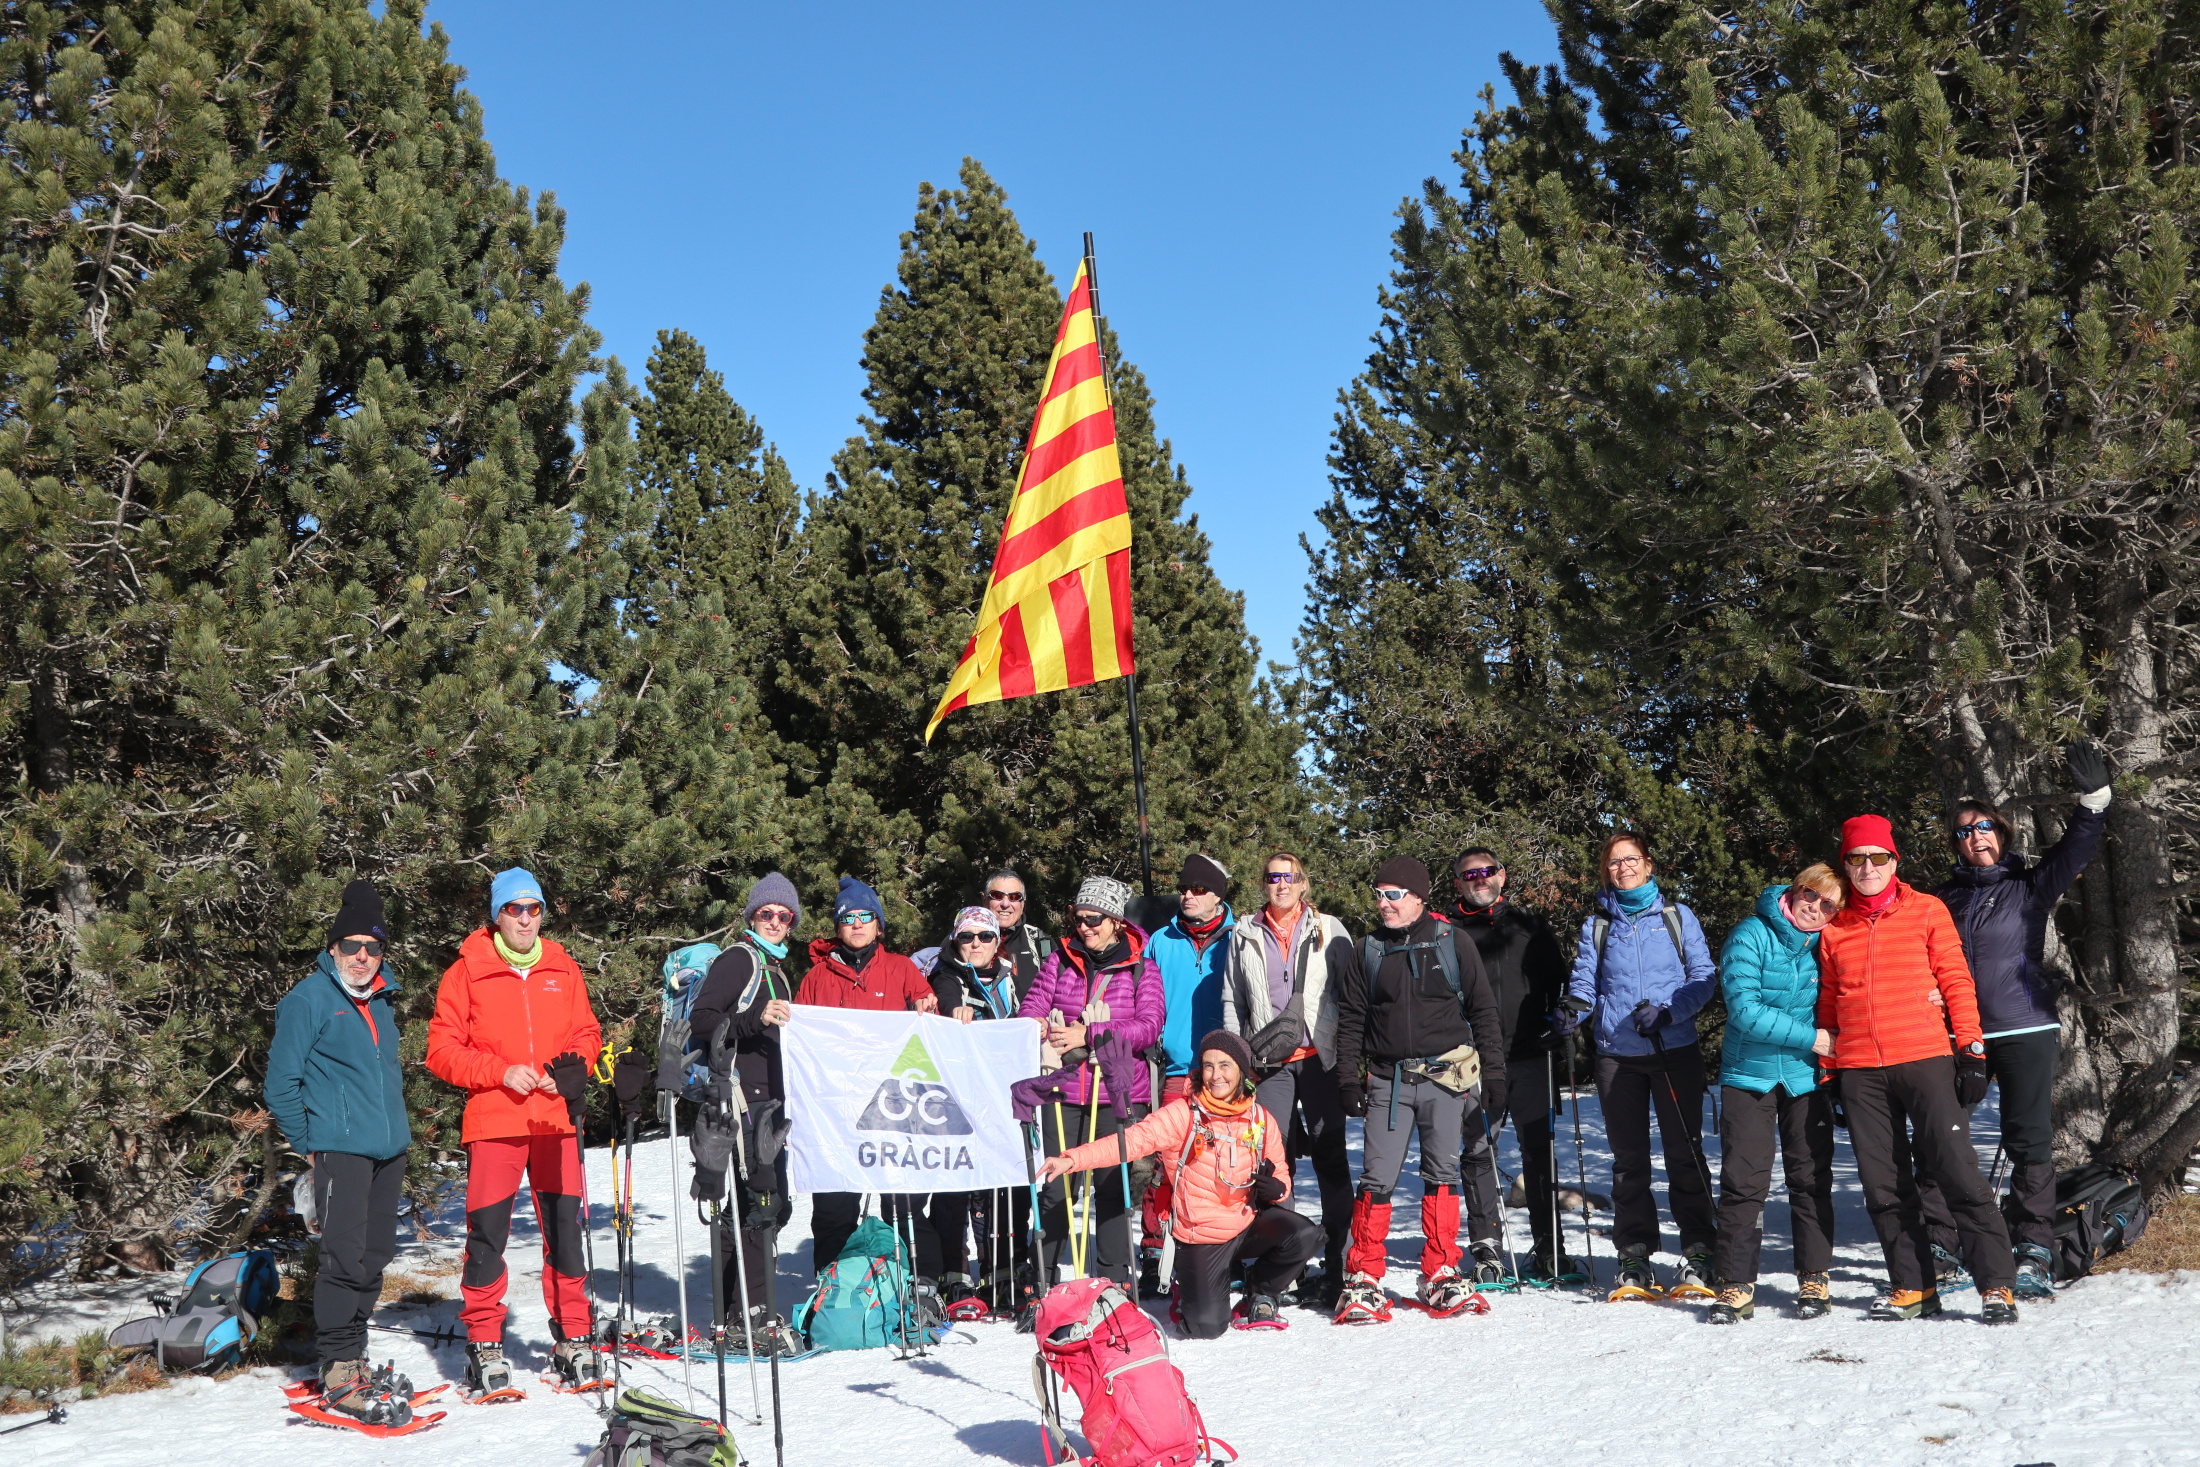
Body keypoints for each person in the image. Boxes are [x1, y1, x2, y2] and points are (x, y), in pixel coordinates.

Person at [1922, 742, 2113, 1298]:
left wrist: (2094, 800)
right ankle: (1941, 1246)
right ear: (1955, 843)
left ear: (2000, 832)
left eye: (1983, 826)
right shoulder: (1942, 899)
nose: (1974, 837)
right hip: (1961, 1034)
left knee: (2028, 1139)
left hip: (2025, 1028)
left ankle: (2033, 1247)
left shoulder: (2029, 885)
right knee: (1943, 1138)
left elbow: (2078, 847)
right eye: (1963, 831)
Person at [1817, 814, 2019, 1324]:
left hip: (1925, 1058)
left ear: (1894, 861)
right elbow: (1826, 1006)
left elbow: (1956, 980)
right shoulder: (1834, 927)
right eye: (1857, 859)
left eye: (1878, 858)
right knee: (1883, 1184)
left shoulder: (1926, 910)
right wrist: (1829, 1073)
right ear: (1846, 866)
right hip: (1860, 1068)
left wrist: (1972, 1049)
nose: (1868, 868)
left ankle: (1996, 1285)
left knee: (1956, 1171)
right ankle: (1912, 1285)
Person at [426, 867, 604, 1394]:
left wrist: (574, 1068)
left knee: (566, 1234)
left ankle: (574, 1337)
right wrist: (498, 1071)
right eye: (514, 909)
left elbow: (586, 1033)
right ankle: (484, 1343)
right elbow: (441, 1050)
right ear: (496, 914)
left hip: (555, 1121)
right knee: (488, 1237)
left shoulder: (563, 968)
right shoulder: (466, 972)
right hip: (495, 1121)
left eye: (534, 909)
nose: (525, 919)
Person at [1038, 1031, 1321, 1338]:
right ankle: (1187, 1288)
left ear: (1241, 1070)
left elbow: (1280, 1169)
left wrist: (1278, 1188)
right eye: (1208, 1065)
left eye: (1225, 1065)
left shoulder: (1259, 1118)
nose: (1216, 1075)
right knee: (1206, 1327)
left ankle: (1260, 1288)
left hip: (1245, 1224)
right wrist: (1071, 1160)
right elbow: (1130, 1142)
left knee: (1305, 1234)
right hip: (1199, 1236)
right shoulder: (1183, 1114)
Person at [1331, 855, 1506, 1321]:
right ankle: (1364, 1276)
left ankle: (1441, 1272)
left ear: (1419, 898)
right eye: (1378, 893)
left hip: (1445, 1080)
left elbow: (1484, 1011)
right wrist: (1348, 1078)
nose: (1382, 903)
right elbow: (1351, 1020)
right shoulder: (1366, 950)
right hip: (1388, 1082)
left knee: (1443, 1176)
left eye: (1393, 894)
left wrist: (1496, 1076)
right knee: (1377, 1178)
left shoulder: (1454, 943)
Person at [265, 881, 415, 1426]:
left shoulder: (382, 999)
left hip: (388, 1150)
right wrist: (311, 1145)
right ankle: (337, 1366)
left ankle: (356, 1355)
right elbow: (281, 1083)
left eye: (372, 948)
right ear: (333, 948)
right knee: (343, 1260)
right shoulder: (308, 1000)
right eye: (351, 945)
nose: (361, 956)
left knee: (375, 1258)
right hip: (340, 1151)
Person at [1563, 830, 1719, 1302]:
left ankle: (1699, 1250)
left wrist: (1671, 1012)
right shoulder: (1598, 925)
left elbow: (1704, 977)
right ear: (1606, 871)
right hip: (1618, 1057)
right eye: (1614, 862)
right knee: (1629, 1163)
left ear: (1649, 866)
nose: (1623, 868)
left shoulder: (1677, 917)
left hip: (1673, 1050)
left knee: (1684, 1153)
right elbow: (1585, 984)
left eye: (1632, 860)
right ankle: (1634, 1254)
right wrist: (1572, 1008)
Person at [795, 877, 940, 1305]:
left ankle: (923, 1284)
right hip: (836, 1112)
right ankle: (832, 1290)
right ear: (837, 927)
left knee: (904, 1205)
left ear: (879, 925)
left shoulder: (901, 969)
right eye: (847, 918)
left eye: (865, 917)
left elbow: (929, 1015)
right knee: (835, 1207)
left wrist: (926, 1008)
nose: (856, 925)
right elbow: (800, 1040)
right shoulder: (817, 977)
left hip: (892, 1107)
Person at [1220, 849, 1354, 1309]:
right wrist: (1237, 1060)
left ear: (1303, 883)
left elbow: (1349, 994)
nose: (1281, 885)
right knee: (1274, 1166)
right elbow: (1231, 1001)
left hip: (1320, 1057)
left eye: (1290, 877)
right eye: (1273, 877)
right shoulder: (1243, 933)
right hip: (1269, 1063)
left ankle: (1341, 1262)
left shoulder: (1330, 928)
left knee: (1331, 1158)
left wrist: (1353, 1059)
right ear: (1264, 884)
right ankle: (1284, 1267)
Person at [1708, 865, 1842, 1324]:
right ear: (1793, 890)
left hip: (1806, 1079)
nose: (1815, 908)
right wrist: (1814, 1039)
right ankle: (1735, 1283)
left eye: (1829, 905)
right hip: (1749, 1075)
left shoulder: (1829, 942)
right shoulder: (1751, 933)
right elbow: (1744, 1010)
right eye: (1810, 895)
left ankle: (1815, 1277)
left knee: (1810, 1178)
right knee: (1744, 1182)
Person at [1017, 875, 1165, 1288]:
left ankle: (1115, 1283)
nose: (1084, 927)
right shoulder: (1059, 961)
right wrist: (1041, 1029)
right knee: (1056, 1187)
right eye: (1079, 918)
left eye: (1095, 919)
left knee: (1112, 1190)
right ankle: (1041, 1280)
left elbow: (1150, 1027)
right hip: (1062, 1091)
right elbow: (1032, 1008)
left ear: (1116, 920)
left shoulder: (1141, 969)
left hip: (1116, 1092)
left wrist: (1091, 1035)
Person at [684, 872, 805, 1356]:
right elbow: (703, 1019)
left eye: (783, 915)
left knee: (760, 1206)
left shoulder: (776, 968)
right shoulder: (740, 959)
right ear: (751, 917)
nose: (774, 921)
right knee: (762, 1205)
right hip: (742, 1100)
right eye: (765, 913)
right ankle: (754, 1312)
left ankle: (735, 1313)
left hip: (769, 1101)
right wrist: (756, 1018)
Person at [1449, 846, 1577, 1284]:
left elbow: (1561, 982)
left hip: (1529, 1055)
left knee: (1538, 1153)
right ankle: (1487, 1248)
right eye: (1470, 874)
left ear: (1501, 876)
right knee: (1478, 1151)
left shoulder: (1530, 926)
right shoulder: (1448, 932)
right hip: (1473, 1061)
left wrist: (1559, 1017)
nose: (1479, 879)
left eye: (1486, 871)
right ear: (1458, 883)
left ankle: (1548, 1246)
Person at [925, 904, 1033, 1317]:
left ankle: (1004, 1267)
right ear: (956, 939)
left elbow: (1029, 1014)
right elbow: (948, 999)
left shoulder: (1009, 977)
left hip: (1004, 1096)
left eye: (984, 937)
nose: (975, 944)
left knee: (1010, 1182)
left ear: (996, 941)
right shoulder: (946, 973)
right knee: (957, 1183)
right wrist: (956, 1012)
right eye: (967, 936)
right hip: (959, 1094)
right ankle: (955, 1271)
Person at [1138, 853, 1234, 1292]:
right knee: (1167, 1161)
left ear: (1218, 895)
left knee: (1222, 1163)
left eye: (1199, 888)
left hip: (1226, 1072)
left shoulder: (1240, 937)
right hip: (1175, 1067)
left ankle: (1218, 1244)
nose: (1188, 895)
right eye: (1184, 887)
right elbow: (1145, 999)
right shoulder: (1160, 940)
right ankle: (1157, 1245)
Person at [981, 867, 1055, 989]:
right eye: (997, 895)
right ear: (984, 900)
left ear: (1023, 904)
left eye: (1014, 897)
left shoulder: (1041, 943)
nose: (1005, 904)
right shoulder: (965, 939)